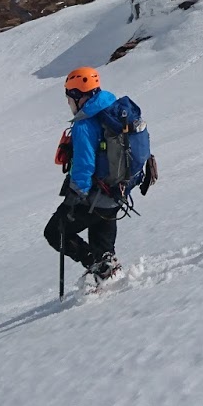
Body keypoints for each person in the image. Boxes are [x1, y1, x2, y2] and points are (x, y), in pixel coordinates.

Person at [43, 67, 123, 283]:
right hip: (115, 192)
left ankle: (99, 267)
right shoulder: (112, 109)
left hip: (95, 195)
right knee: (101, 237)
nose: (69, 103)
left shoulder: (84, 124)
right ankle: (108, 271)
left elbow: (85, 164)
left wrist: (74, 197)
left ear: (78, 96)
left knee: (54, 232)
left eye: (70, 97)